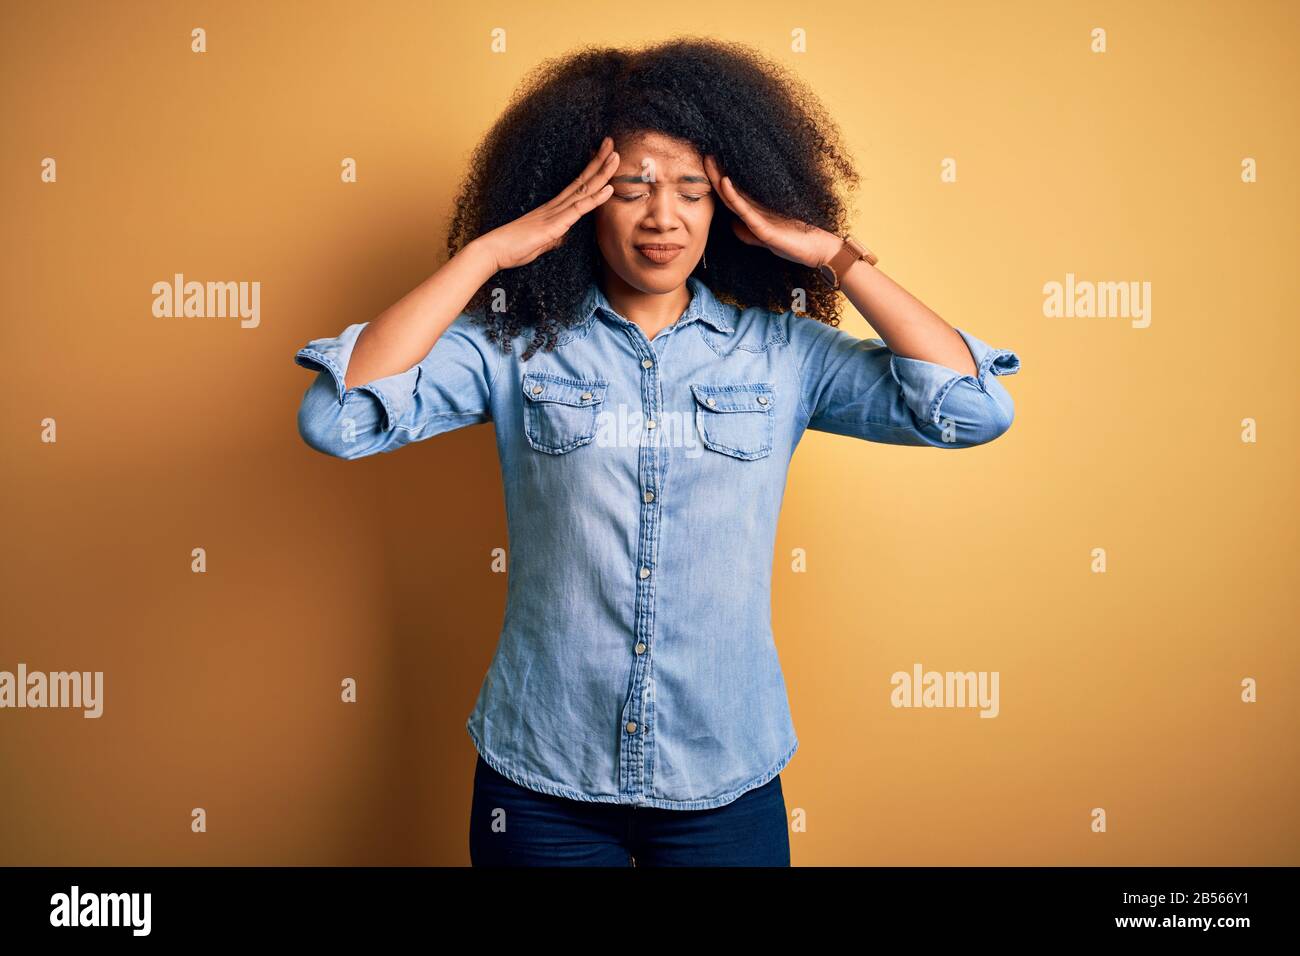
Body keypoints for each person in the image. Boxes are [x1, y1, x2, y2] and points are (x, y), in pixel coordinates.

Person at [292, 37, 1021, 866]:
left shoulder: (782, 356)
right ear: (577, 202)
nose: (662, 218)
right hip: (540, 781)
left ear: (732, 207)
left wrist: (832, 254)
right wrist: (488, 253)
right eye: (631, 188)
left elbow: (972, 408)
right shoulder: (513, 351)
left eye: (693, 192)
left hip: (724, 779)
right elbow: (338, 418)